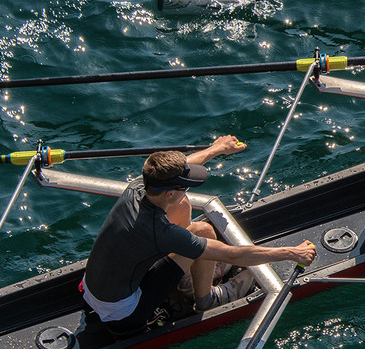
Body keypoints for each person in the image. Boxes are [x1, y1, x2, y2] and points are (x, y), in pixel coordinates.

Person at [81, 137, 316, 335]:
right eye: (185, 186)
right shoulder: (160, 231)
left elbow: (181, 168)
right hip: (124, 315)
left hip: (96, 286)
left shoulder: (138, 187)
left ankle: (188, 276)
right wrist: (292, 253)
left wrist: (217, 149)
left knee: (194, 220)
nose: (188, 189)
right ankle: (206, 299)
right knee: (205, 237)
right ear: (169, 192)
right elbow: (232, 255)